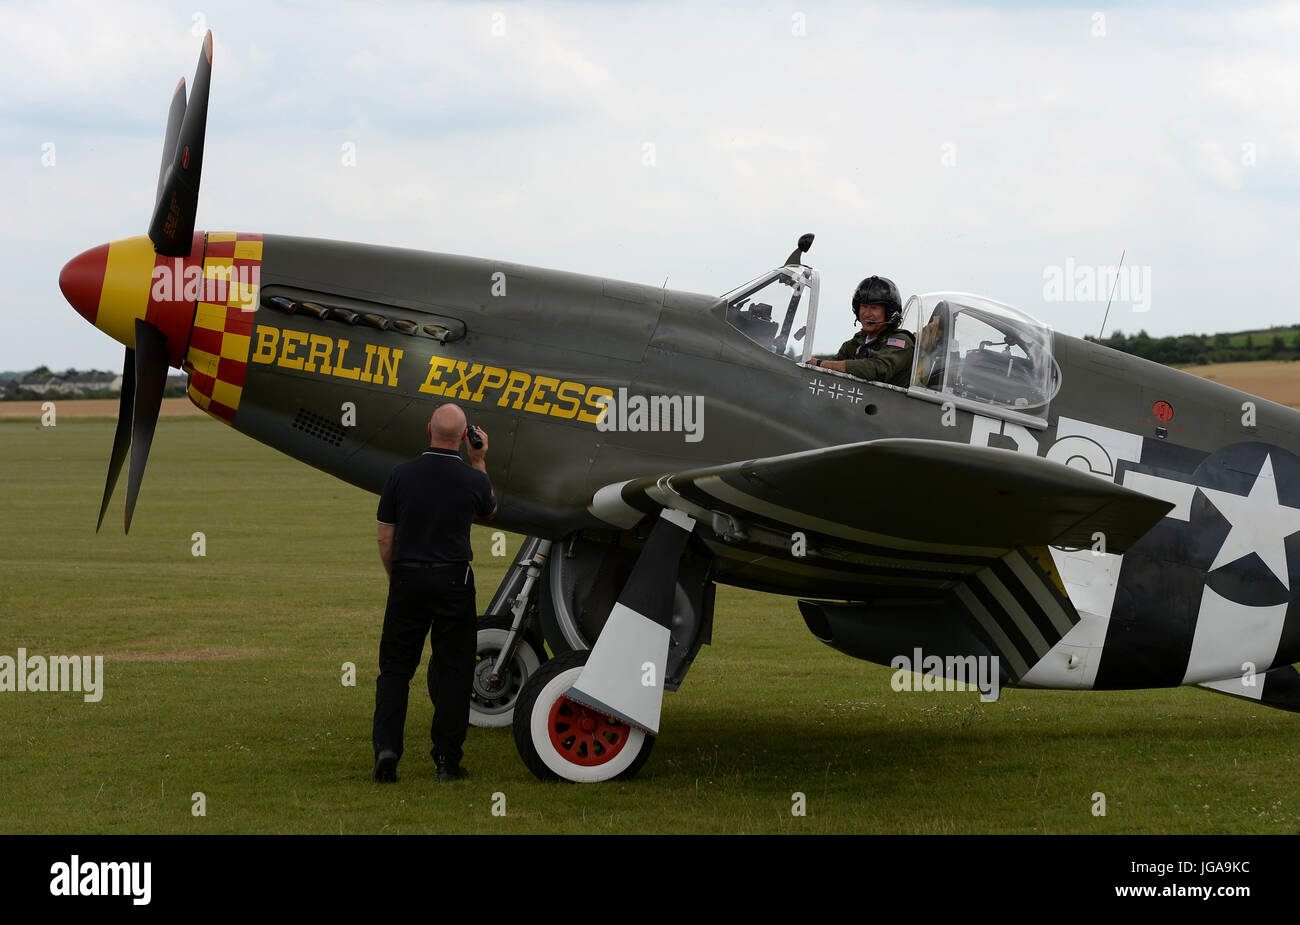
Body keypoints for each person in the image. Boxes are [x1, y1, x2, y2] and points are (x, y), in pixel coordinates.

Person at [371, 403, 498, 784]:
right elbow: (489, 510)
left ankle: (387, 750)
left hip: (408, 578)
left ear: (428, 429)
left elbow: (384, 536)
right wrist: (479, 461)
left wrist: (397, 577)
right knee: (455, 670)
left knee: (395, 669)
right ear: (465, 437)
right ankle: (446, 760)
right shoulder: (472, 479)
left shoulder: (400, 474)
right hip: (454, 582)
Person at [810, 275, 915, 387]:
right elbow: (831, 367)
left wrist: (820, 363)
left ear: (889, 313)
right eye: (864, 306)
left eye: (874, 308)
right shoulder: (855, 344)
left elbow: (878, 369)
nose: (866, 313)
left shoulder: (901, 342)